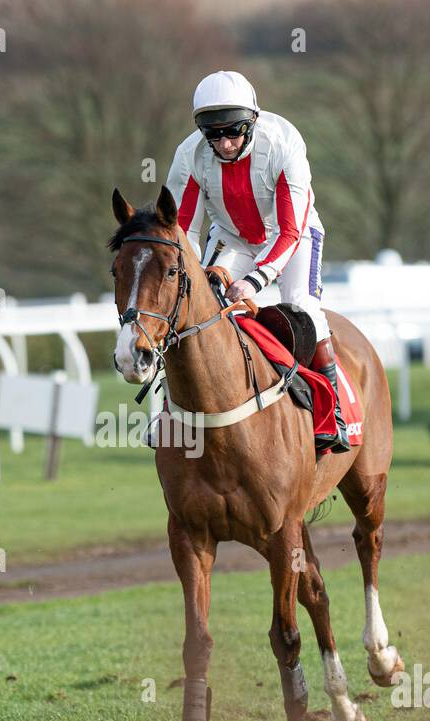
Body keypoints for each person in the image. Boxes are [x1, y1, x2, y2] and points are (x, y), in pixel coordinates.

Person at [166, 70, 349, 453]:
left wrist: (253, 281)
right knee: (188, 309)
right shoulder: (189, 156)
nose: (225, 143)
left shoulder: (283, 143)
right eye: (212, 133)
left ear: (252, 120)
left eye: (233, 130)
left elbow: (288, 231)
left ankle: (332, 415)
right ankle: (171, 413)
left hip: (292, 236)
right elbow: (182, 232)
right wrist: (197, 275)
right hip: (233, 239)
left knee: (302, 306)